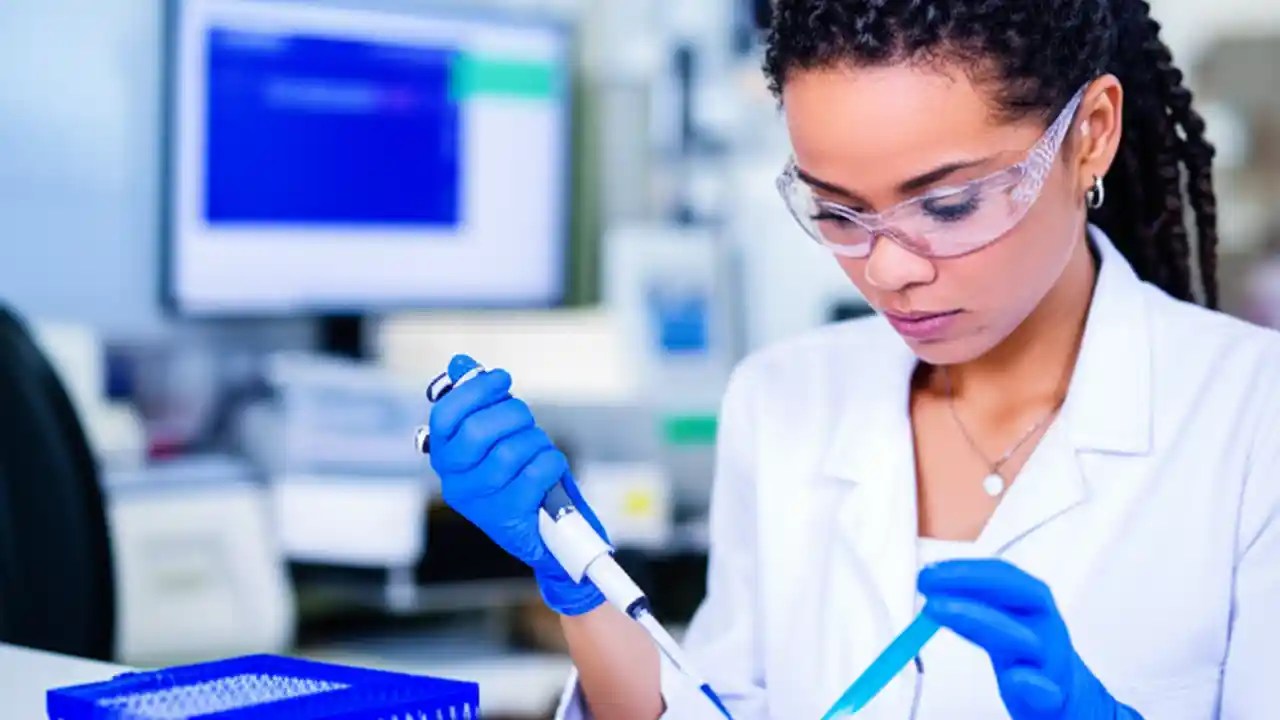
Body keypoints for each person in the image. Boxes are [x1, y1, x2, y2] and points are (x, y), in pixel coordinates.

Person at [425, 0, 1280, 718]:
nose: (889, 269)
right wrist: (579, 582)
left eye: (947, 205)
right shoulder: (784, 396)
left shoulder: (1251, 417)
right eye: (838, 214)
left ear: (1090, 135)